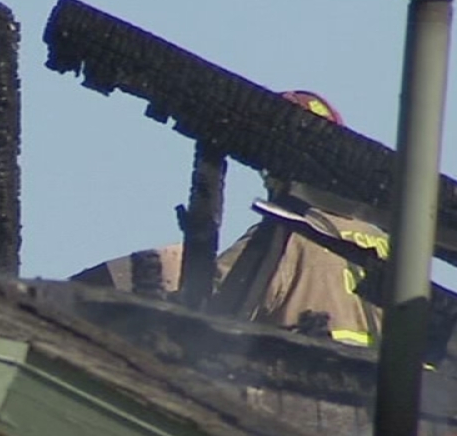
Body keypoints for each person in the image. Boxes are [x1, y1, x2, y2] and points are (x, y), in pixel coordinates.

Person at [72, 90, 391, 348]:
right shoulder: (386, 243)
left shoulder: (288, 235)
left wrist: (129, 291)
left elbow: (214, 306)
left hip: (309, 400)